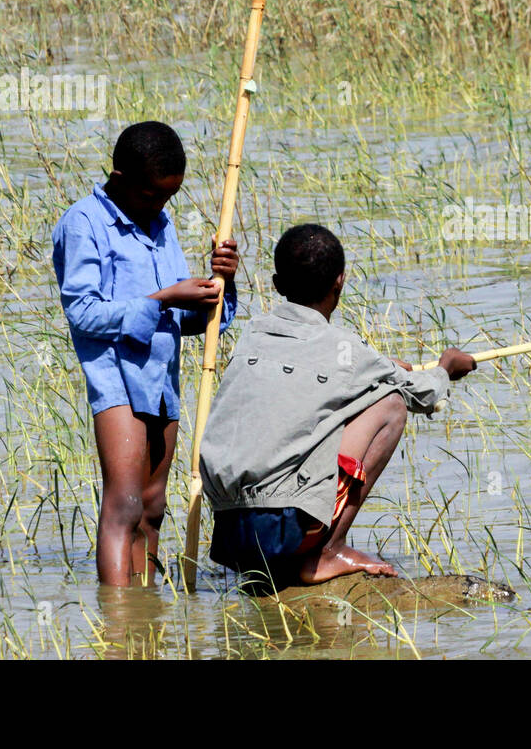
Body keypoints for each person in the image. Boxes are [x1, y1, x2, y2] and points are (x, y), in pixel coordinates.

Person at [201, 223, 475, 591]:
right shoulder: (343, 348)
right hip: (283, 530)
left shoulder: (254, 334)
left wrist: (382, 370)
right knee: (392, 404)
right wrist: (446, 368)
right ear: (340, 282)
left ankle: (291, 557)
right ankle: (328, 551)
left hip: (230, 536)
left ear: (277, 285)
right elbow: (424, 395)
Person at [52, 121, 239, 586]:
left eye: (168, 198)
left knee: (153, 506)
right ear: (119, 181)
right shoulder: (84, 223)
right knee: (125, 504)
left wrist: (221, 283)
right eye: (152, 195)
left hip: (161, 377)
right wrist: (164, 299)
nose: (159, 206)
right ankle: (120, 626)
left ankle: (146, 615)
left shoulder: (159, 224)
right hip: (116, 377)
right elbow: (83, 312)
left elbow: (187, 320)